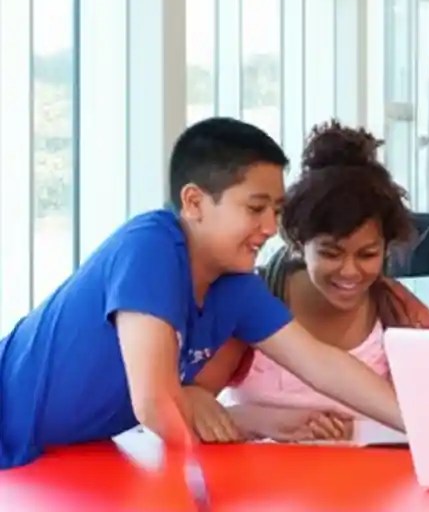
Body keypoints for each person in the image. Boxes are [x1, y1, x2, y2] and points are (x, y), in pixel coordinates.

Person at [0, 118, 405, 468]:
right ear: (194, 202)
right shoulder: (149, 246)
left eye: (276, 212)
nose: (269, 227)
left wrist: (422, 424)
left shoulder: (236, 287)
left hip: (63, 456)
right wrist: (198, 489)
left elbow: (321, 364)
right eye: (255, 208)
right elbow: (155, 403)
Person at [189, 122, 429, 441]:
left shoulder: (404, 319)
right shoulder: (252, 306)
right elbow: (188, 407)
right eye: (330, 254)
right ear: (297, 241)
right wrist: (262, 421)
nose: (349, 271)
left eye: (367, 254)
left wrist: (363, 428)